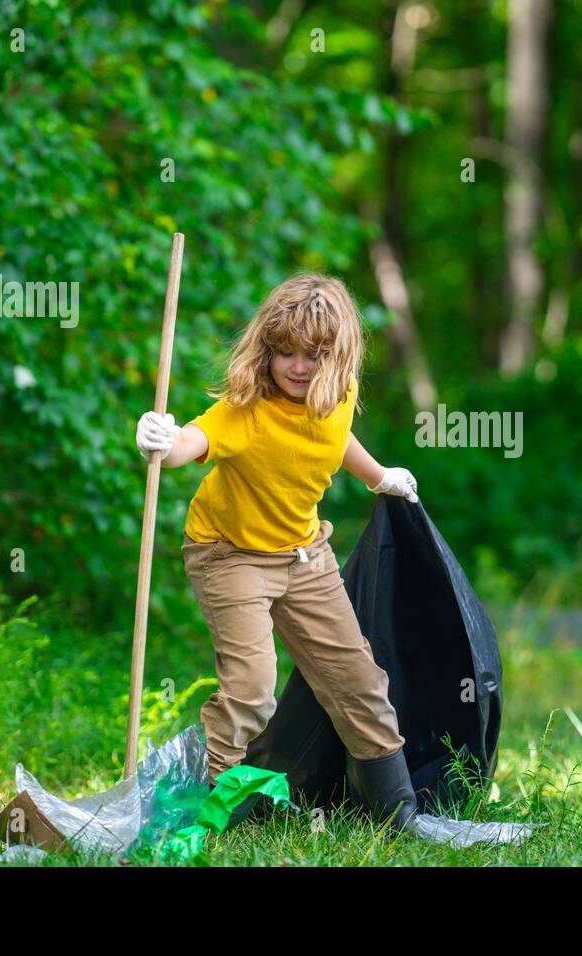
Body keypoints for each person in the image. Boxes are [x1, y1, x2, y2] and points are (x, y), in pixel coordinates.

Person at [134, 274, 421, 832]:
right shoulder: (245, 411)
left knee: (358, 680)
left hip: (305, 555)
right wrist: (164, 441)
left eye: (313, 355)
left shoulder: (339, 394)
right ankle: (205, 808)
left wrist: (379, 477)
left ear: (338, 358)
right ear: (265, 350)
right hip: (230, 554)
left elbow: (335, 442)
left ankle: (396, 811)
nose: (297, 366)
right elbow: (193, 440)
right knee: (251, 690)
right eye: (284, 352)